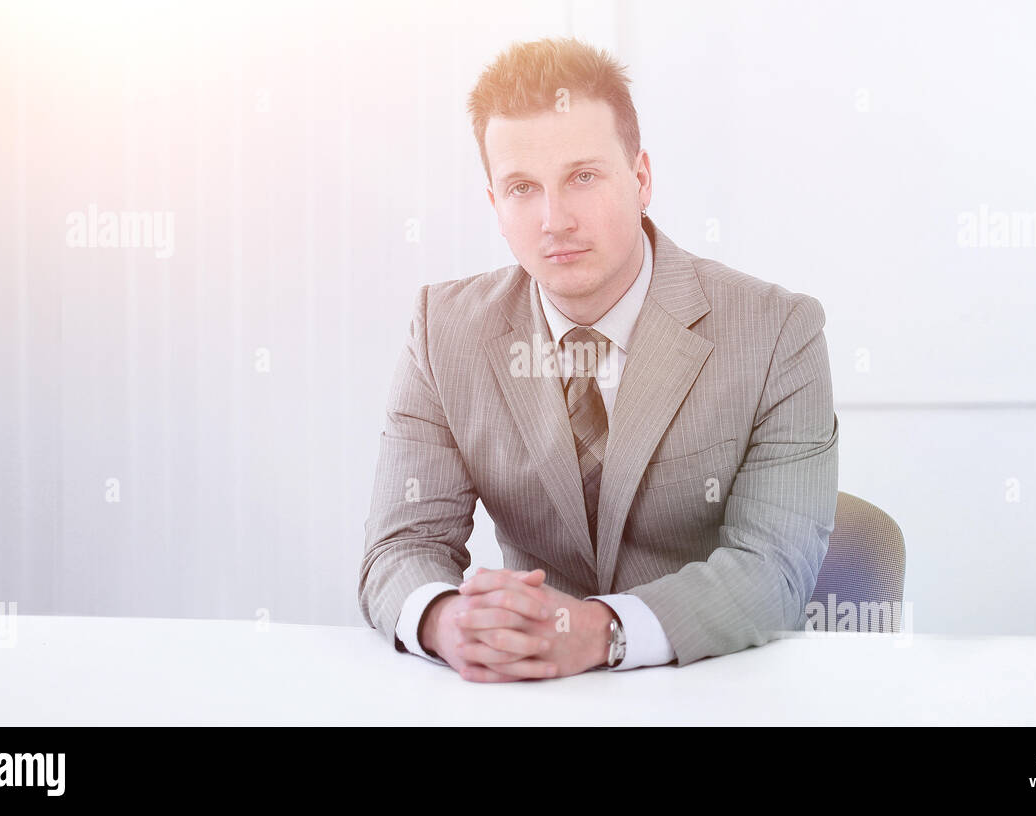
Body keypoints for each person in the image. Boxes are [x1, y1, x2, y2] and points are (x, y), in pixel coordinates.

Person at [358, 36, 838, 682]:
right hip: (526, 700)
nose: (554, 219)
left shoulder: (780, 333)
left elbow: (772, 569)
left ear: (640, 178)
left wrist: (601, 631)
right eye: (522, 188)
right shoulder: (443, 333)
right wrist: (449, 622)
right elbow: (398, 546)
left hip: (710, 693)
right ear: (494, 204)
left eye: (582, 177)